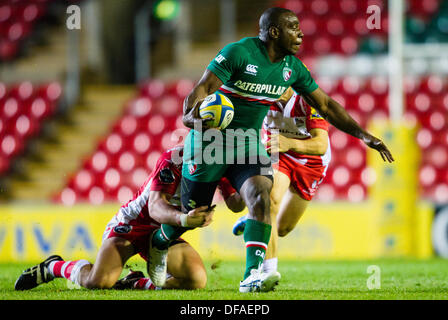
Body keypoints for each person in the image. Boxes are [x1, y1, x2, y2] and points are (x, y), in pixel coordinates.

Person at [147, 7, 394, 293]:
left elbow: (325, 105)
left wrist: (363, 135)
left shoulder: (292, 68)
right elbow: (201, 90)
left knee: (261, 197)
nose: (301, 34)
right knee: (195, 216)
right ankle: (161, 240)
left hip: (248, 144)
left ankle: (252, 274)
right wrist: (191, 118)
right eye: (293, 28)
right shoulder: (239, 53)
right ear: (274, 32)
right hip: (209, 144)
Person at [14, 146, 241, 291]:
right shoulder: (175, 159)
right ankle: (53, 267)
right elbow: (155, 208)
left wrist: (253, 181)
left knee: (195, 281)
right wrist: (183, 220)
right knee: (99, 282)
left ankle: (135, 283)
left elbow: (236, 203)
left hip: (164, 234)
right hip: (133, 225)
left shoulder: (220, 166)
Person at [233, 87, 334, 279]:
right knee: (270, 201)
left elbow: (321, 145)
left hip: (311, 162)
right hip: (278, 154)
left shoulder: (308, 100)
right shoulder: (260, 97)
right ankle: (268, 272)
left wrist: (290, 142)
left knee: (282, 228)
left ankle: (252, 219)